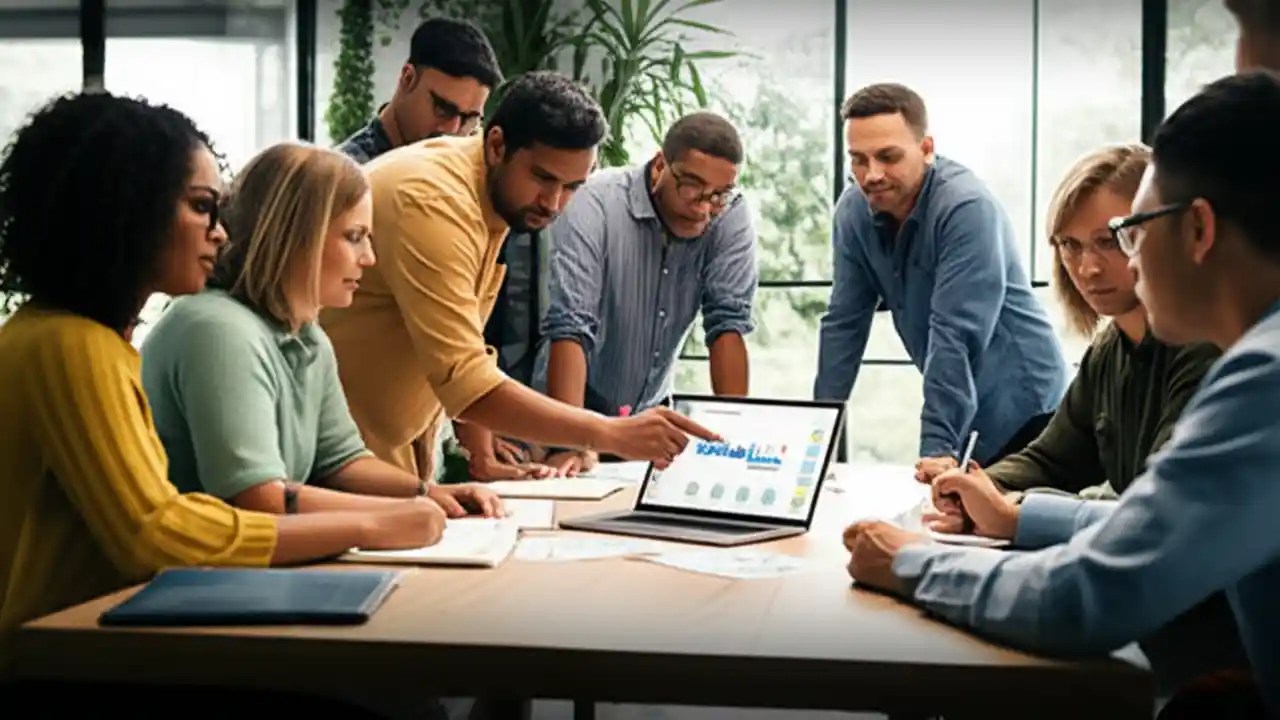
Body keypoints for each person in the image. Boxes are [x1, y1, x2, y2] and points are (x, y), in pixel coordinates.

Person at [844, 71, 1280, 714]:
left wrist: (909, 563)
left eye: (1127, 234)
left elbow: (1088, 597)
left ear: (1198, 229)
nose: (1107, 264)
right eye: (1071, 246)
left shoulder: (1261, 376)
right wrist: (1001, 507)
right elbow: (1155, 524)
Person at [0, 92, 437, 713]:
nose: (222, 232)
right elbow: (155, 532)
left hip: (97, 641)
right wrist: (372, 524)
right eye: (202, 207)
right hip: (67, 662)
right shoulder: (74, 347)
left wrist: (412, 501)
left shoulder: (68, 337)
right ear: (129, 207)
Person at [319, 70, 719, 486]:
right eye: (543, 178)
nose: (554, 203)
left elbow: (457, 342)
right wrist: (609, 433)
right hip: (332, 465)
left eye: (572, 186)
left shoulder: (483, 192)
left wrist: (481, 453)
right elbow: (466, 380)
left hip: (382, 457)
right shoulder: (433, 203)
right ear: (497, 145)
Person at [140, 141, 501, 523]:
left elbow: (342, 461)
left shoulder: (307, 337)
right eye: (354, 236)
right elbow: (258, 497)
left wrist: (428, 493)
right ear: (295, 235)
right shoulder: (218, 331)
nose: (369, 258)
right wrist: (398, 514)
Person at [916, 144, 1221, 505]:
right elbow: (1051, 460)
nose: (1087, 268)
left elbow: (1159, 504)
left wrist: (1016, 512)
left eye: (1109, 241)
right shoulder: (1108, 350)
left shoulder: (1206, 345)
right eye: (1070, 245)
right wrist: (970, 490)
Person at [814, 82, 1068, 471]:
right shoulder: (853, 212)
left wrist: (937, 447)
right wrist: (817, 436)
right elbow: (843, 325)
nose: (872, 175)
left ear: (926, 148)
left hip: (1028, 411)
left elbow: (955, 335)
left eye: (888, 157)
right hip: (963, 414)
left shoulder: (966, 208)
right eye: (859, 160)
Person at [529, 111, 758, 474]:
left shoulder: (729, 212)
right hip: (563, 417)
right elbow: (571, 326)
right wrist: (571, 442)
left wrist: (735, 450)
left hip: (647, 425)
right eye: (691, 186)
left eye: (718, 195)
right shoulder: (594, 199)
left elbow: (727, 323)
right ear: (659, 165)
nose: (703, 208)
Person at [337, 17, 501, 163]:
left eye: (469, 119)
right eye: (443, 109)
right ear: (408, 79)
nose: (453, 130)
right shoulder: (348, 177)